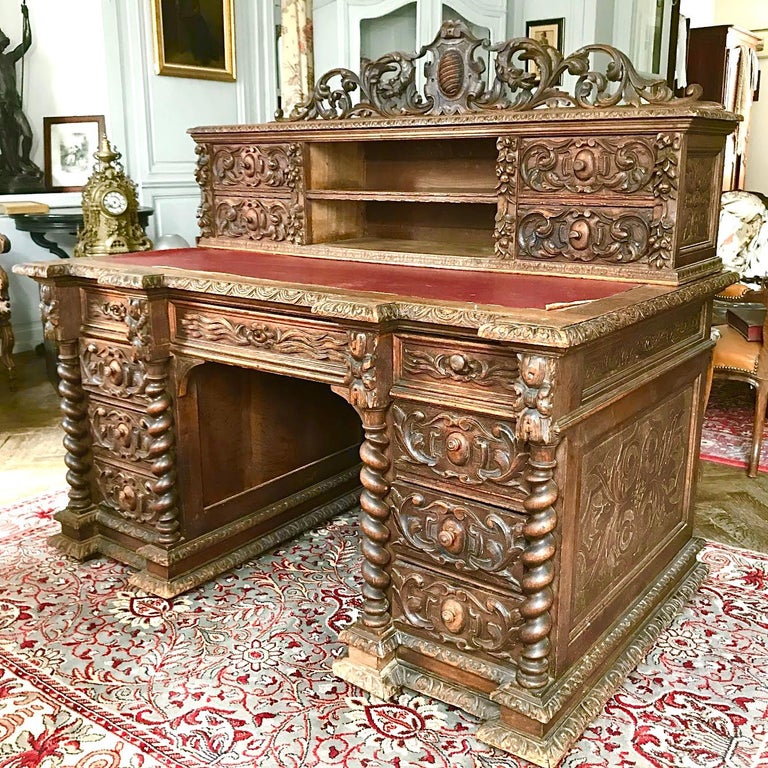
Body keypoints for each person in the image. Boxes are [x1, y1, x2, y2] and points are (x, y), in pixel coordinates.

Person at [0, 2, 43, 187]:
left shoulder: (9, 58)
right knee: (7, 141)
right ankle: (13, 169)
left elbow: (27, 42)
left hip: (14, 105)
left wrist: (26, 18)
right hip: (0, 108)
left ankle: (24, 160)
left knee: (27, 134)